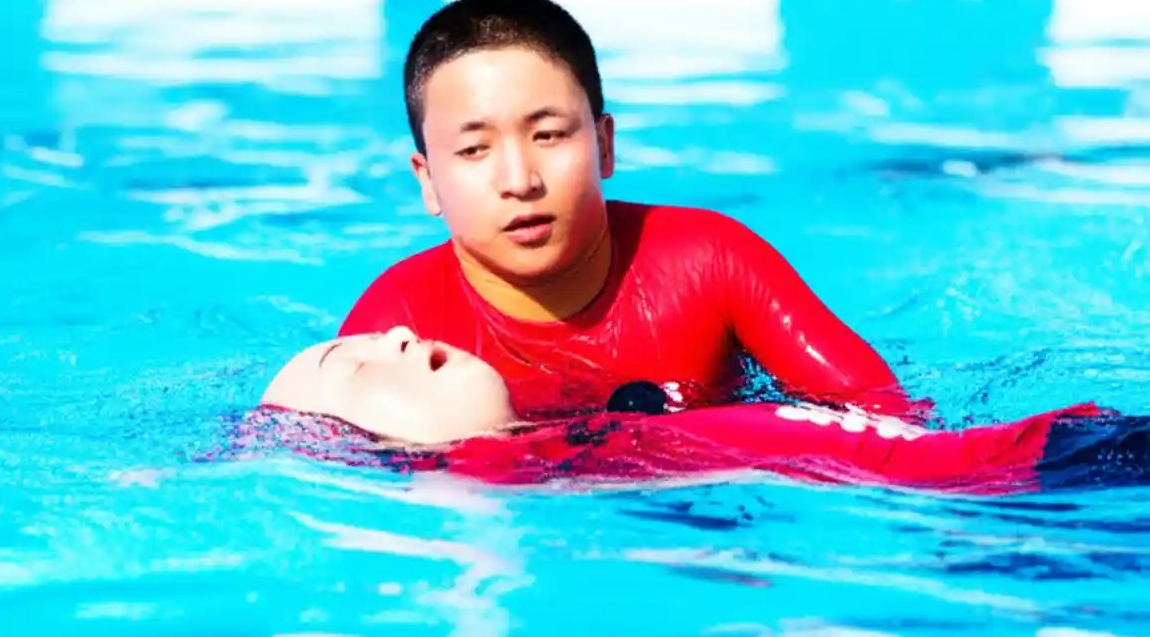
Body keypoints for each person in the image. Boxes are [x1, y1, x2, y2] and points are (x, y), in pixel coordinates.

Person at [337, 0, 930, 422]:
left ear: (603, 144)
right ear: (428, 181)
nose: (518, 180)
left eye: (548, 135)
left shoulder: (711, 265)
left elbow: (888, 421)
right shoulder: (395, 330)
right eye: (473, 149)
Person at [251, 328, 1149, 494]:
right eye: (352, 360)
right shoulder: (475, 471)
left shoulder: (553, 441)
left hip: (1054, 456)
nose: (399, 333)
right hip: (1040, 487)